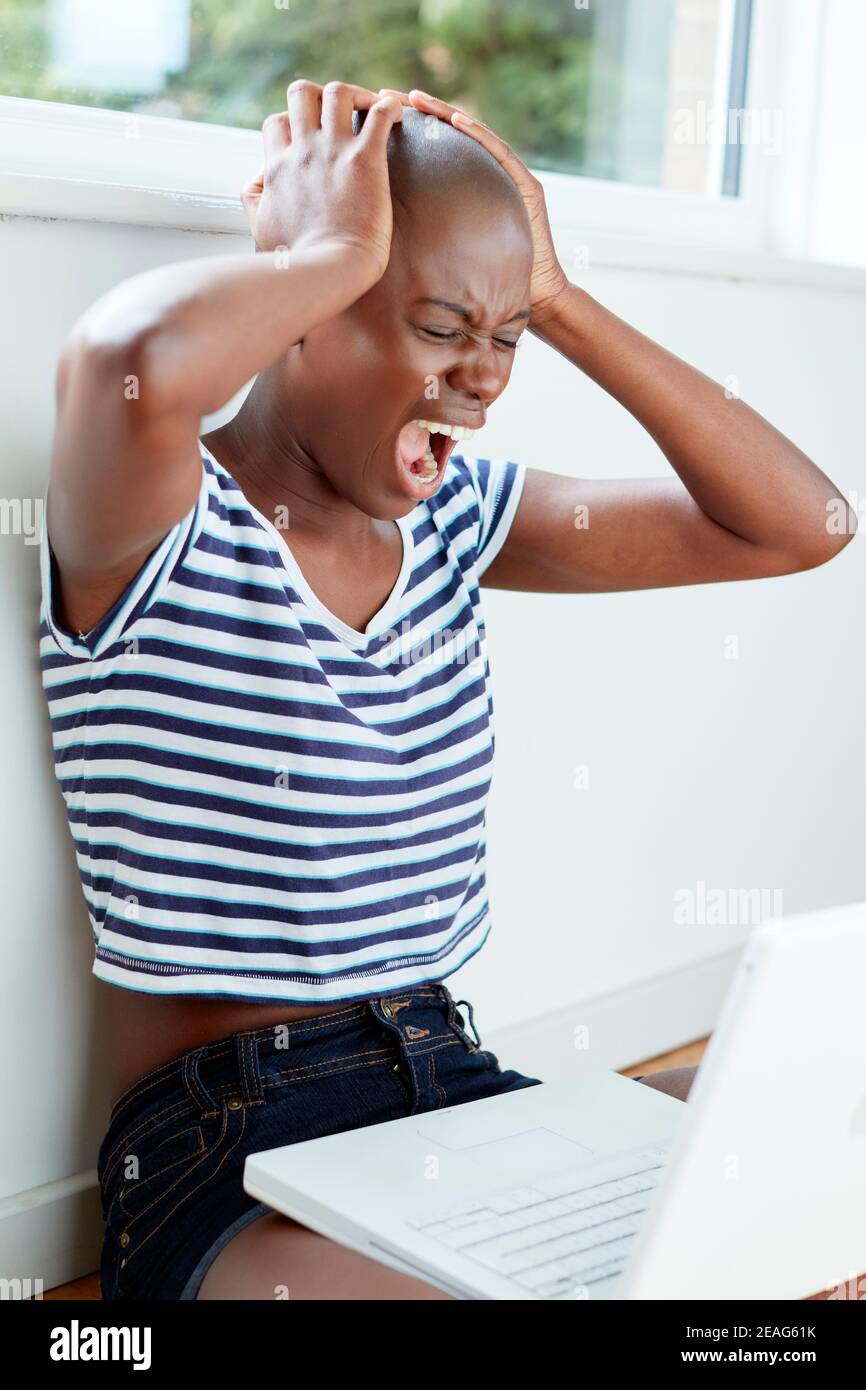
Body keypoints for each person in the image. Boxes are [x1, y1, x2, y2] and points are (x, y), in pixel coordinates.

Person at [38, 82, 854, 1301]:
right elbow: (126, 358)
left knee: (800, 1184)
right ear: (304, 314)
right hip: (231, 1149)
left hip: (454, 1090)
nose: (481, 379)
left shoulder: (461, 522)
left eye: (504, 336)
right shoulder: (164, 527)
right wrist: (334, 246)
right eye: (436, 325)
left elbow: (803, 522)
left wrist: (558, 296)